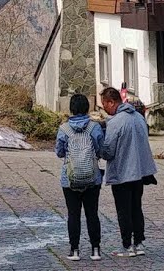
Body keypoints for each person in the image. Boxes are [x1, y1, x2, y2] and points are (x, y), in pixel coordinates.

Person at [99, 87, 157, 258]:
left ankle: (127, 245)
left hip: (122, 172)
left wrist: (98, 149)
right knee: (136, 208)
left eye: (104, 105)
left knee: (123, 211)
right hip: (140, 172)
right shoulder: (139, 117)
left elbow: (108, 151)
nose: (104, 109)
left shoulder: (115, 122)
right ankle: (139, 243)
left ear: (111, 102)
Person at [55, 94, 104, 261]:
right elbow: (100, 150)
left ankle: (74, 250)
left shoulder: (64, 129)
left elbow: (59, 152)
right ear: (87, 108)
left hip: (70, 179)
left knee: (73, 214)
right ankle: (95, 250)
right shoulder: (95, 127)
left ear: (71, 109)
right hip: (93, 178)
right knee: (92, 214)